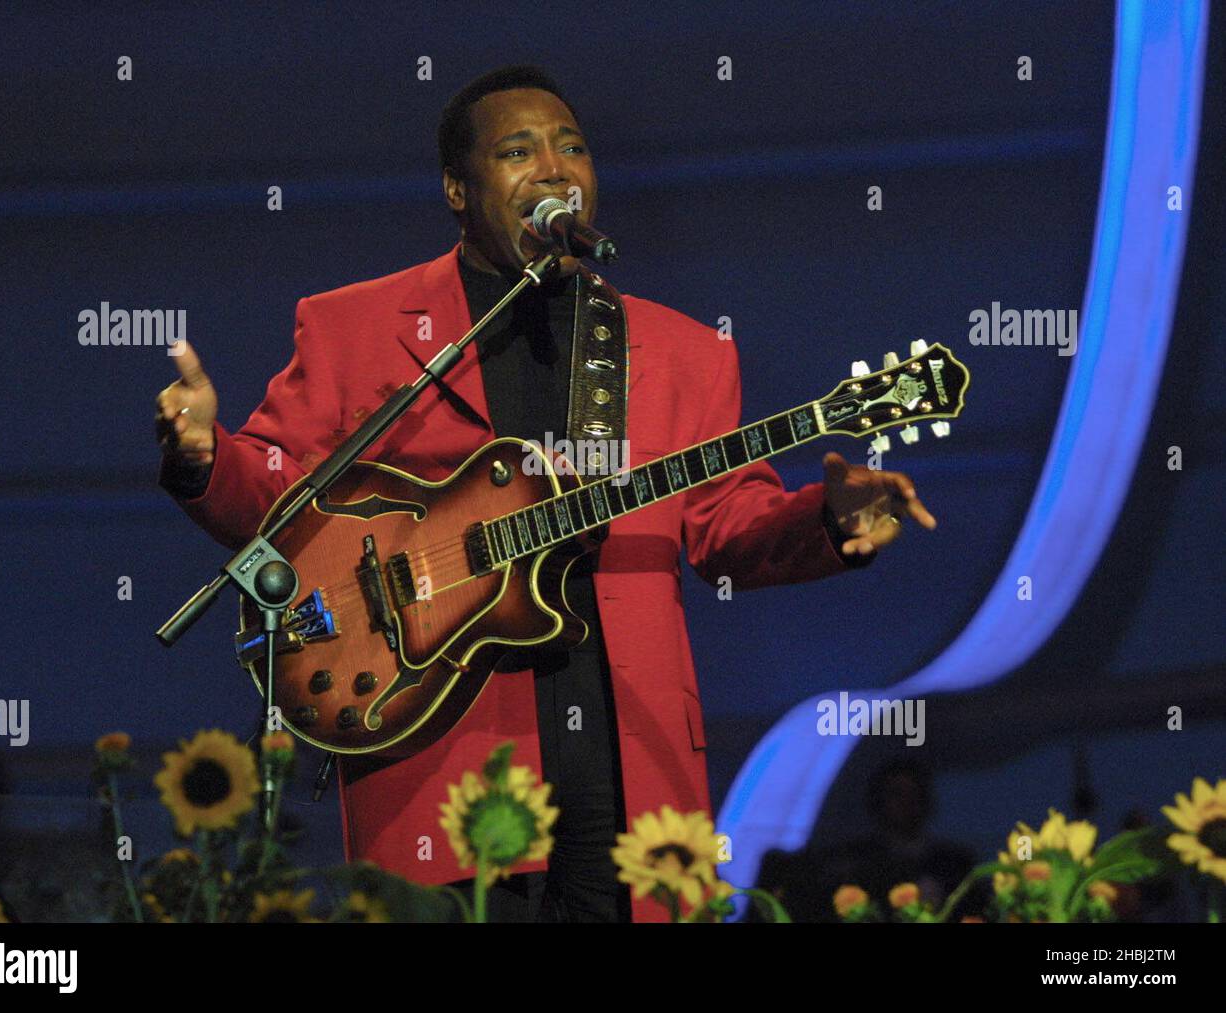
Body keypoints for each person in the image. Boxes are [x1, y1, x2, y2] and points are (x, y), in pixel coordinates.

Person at [154, 65, 937, 923]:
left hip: (626, 762)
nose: (556, 168)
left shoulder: (680, 351)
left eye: (572, 147)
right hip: (435, 749)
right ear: (458, 188)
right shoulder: (358, 327)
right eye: (518, 151)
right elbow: (275, 499)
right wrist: (204, 455)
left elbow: (722, 523)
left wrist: (825, 516)